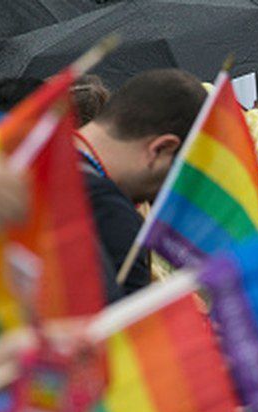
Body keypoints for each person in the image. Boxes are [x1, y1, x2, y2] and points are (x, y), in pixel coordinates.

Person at [73, 68, 207, 297]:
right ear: (161, 149)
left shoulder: (20, 157)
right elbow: (133, 331)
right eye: (176, 178)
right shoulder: (111, 214)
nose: (159, 198)